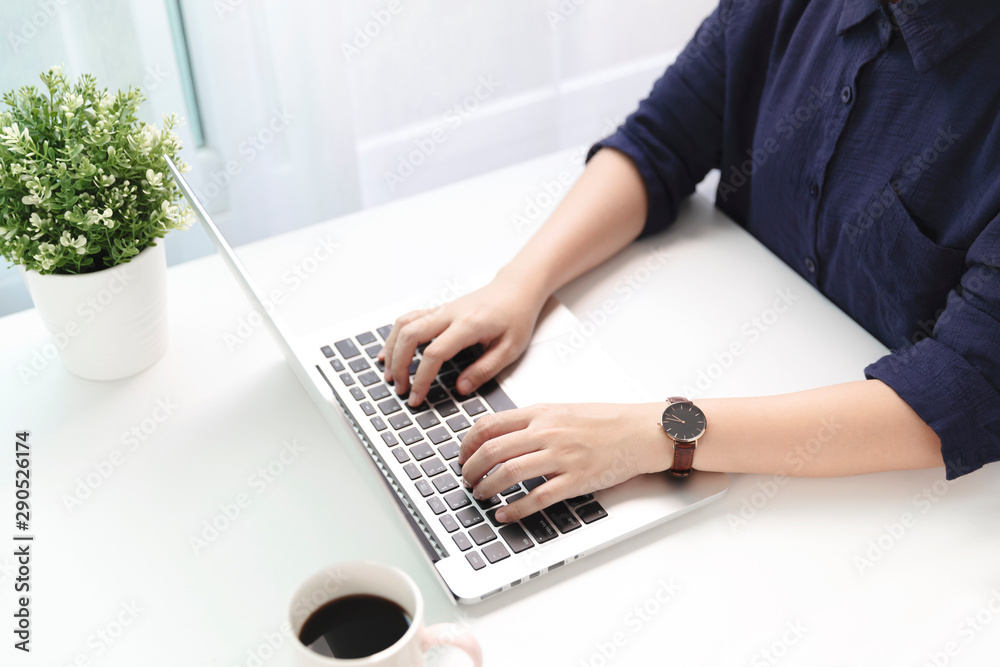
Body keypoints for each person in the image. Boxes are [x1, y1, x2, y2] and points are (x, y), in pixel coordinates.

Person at [379, 0, 1000, 524]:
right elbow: (661, 140)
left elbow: (961, 387)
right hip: (720, 380)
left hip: (888, 509)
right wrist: (518, 284)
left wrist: (662, 435)